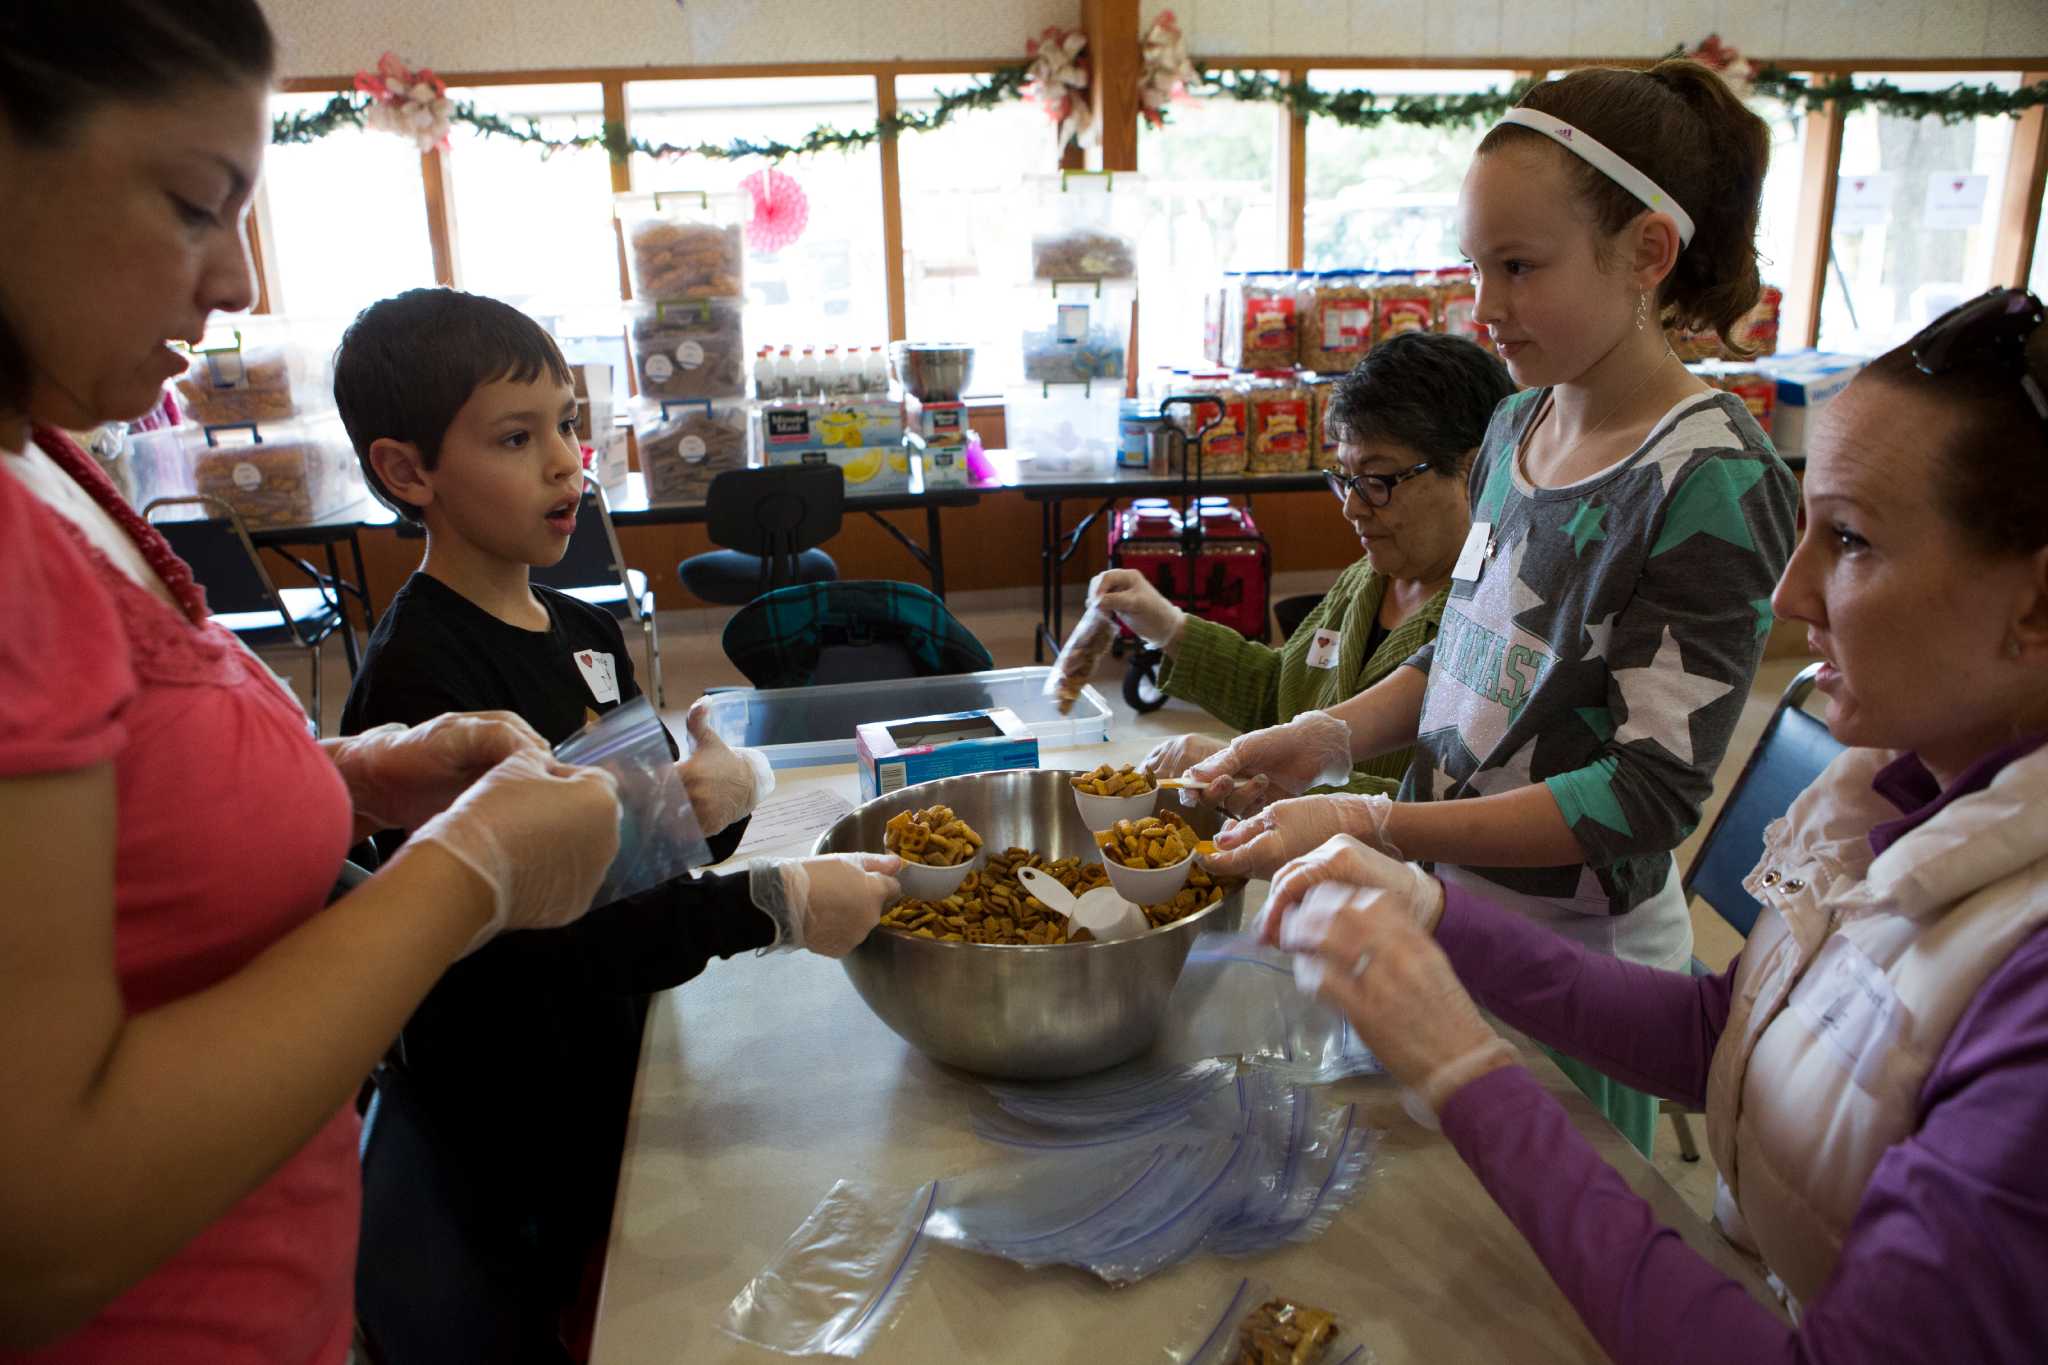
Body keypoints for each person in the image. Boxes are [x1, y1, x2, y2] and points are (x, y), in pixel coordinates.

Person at [0, 4, 624, 1360]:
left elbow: (128, 821)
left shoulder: (52, 456)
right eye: (189, 204)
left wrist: (354, 775)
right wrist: (467, 871)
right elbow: (36, 1227)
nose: (233, 281)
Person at [1259, 287, 2048, 1359]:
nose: (1787, 594)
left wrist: (1467, 1072)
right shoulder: (1894, 796)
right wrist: (1432, 912)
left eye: (1850, 541)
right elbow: (1718, 1032)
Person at [1189, 61, 1799, 1155]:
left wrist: (1377, 820)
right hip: (1443, 904)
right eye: (1476, 266)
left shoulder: (1710, 479)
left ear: (1646, 253)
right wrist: (1328, 735)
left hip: (1582, 963)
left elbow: (1643, 793)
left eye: (1518, 266)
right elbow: (1474, 654)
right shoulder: (1517, 427)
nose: (1485, 307)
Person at [331, 286, 902, 1360]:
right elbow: (524, 955)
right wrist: (762, 904)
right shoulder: (419, 688)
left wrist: (717, 810)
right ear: (409, 472)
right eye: (515, 437)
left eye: (566, 424)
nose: (564, 464)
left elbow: (631, 862)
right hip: (526, 1126)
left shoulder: (586, 628)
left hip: (626, 1055)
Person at [1090, 332, 1511, 792]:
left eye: (1376, 479)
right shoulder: (1366, 579)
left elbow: (1445, 813)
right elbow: (1283, 694)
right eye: (1345, 479)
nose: (1352, 507)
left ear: (1475, 471)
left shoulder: (1494, 620)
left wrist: (1249, 768)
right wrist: (1167, 625)